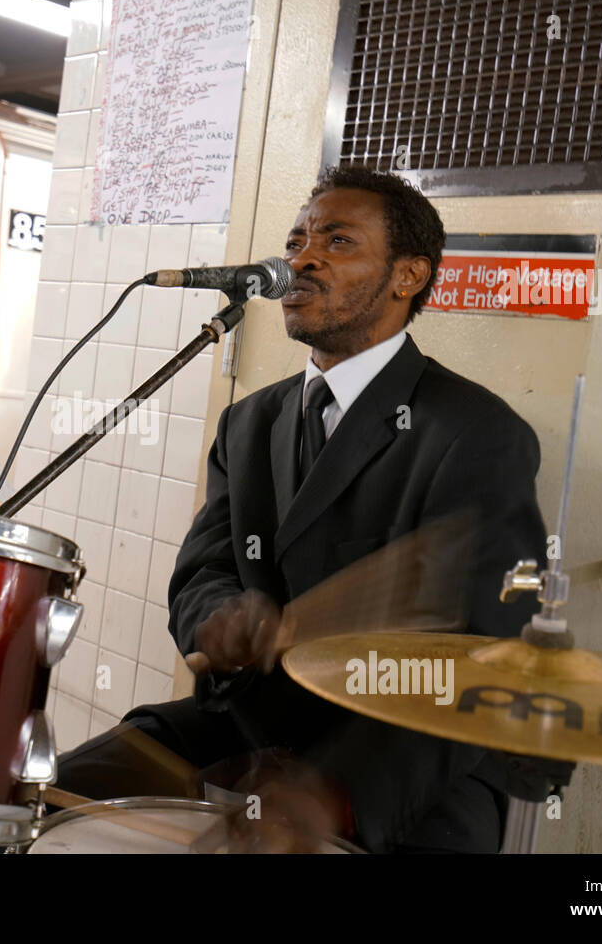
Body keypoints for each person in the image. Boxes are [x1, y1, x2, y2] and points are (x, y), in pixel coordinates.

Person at [53, 167, 548, 853]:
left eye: (337, 241)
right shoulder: (250, 422)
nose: (302, 258)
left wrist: (335, 792)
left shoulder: (475, 433)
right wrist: (220, 617)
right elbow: (202, 572)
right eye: (297, 239)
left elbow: (488, 659)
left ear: (407, 277)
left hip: (406, 762)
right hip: (253, 725)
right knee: (48, 797)